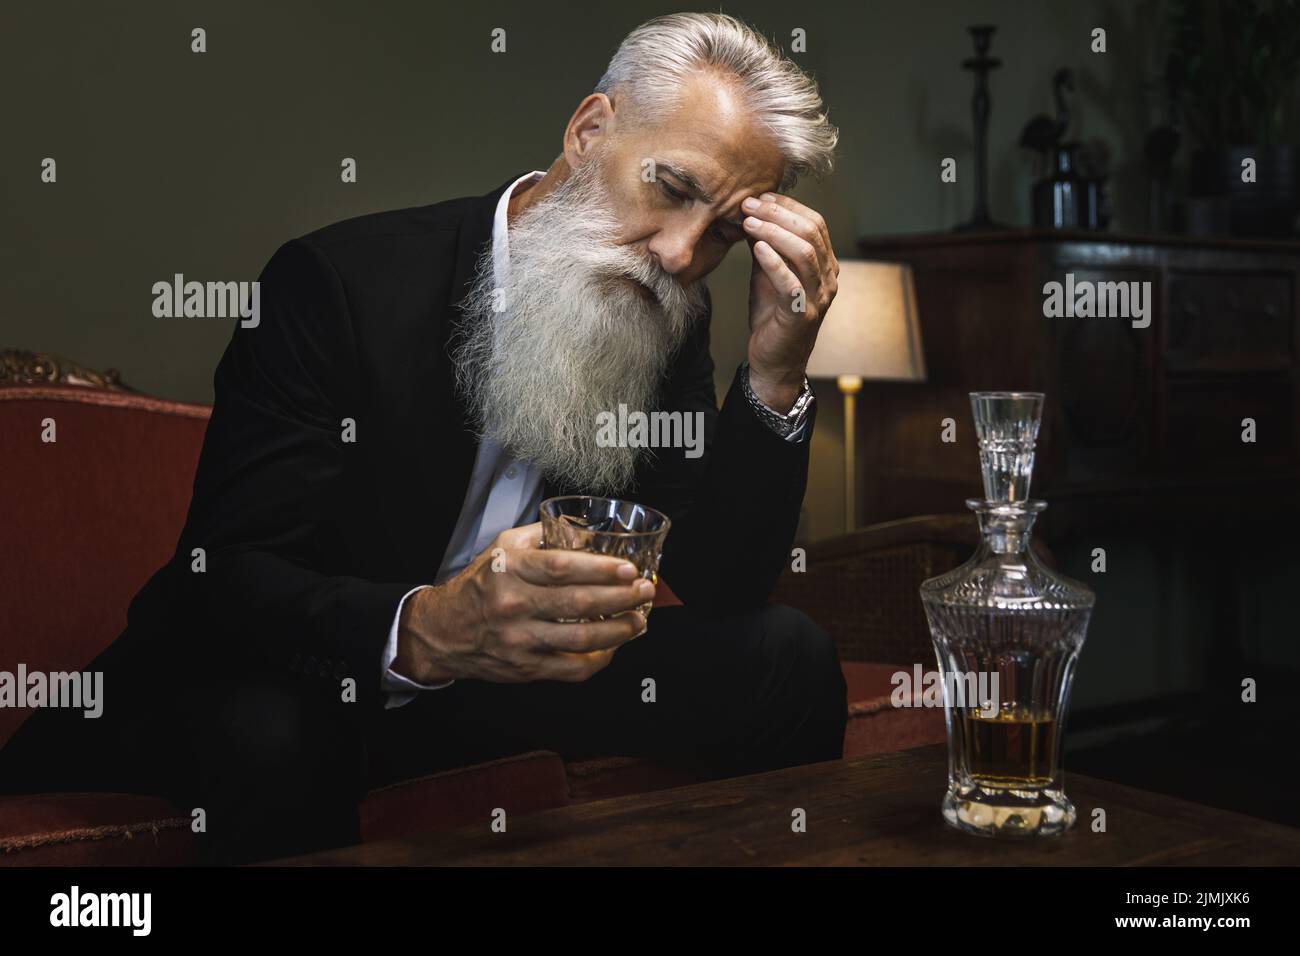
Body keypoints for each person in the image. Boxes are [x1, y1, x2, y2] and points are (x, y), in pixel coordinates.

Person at [0, 12, 847, 864]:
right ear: (591, 133)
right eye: (671, 188)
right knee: (277, 728)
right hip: (287, 672)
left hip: (482, 691)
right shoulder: (338, 283)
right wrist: (429, 627)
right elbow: (226, 575)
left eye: (726, 233)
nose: (679, 254)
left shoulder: (666, 312)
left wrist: (776, 374)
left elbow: (719, 582)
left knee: (786, 654)